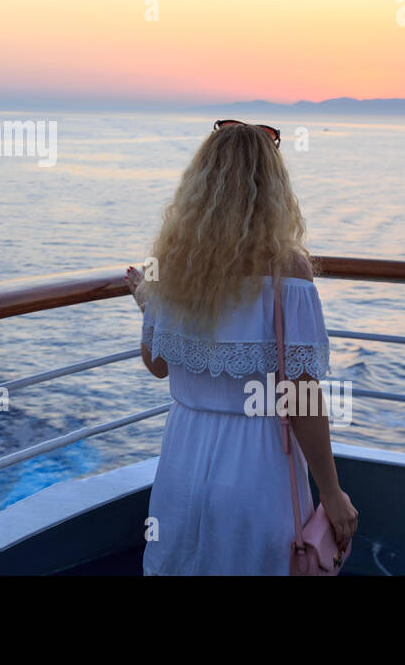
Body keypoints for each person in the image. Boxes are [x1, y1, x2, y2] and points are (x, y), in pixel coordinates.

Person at [125, 119, 358, 575]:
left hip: (182, 458)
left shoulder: (174, 265)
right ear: (272, 187)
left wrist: (148, 302)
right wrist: (331, 495)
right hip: (257, 462)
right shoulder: (287, 271)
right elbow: (302, 396)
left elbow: (157, 365)